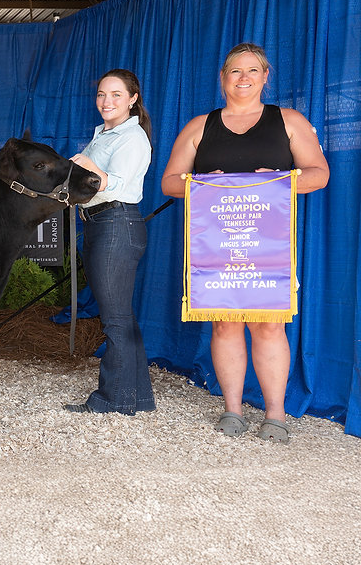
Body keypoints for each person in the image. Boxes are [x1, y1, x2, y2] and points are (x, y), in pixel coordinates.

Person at [161, 42, 329, 443]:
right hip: (216, 244)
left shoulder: (288, 120)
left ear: (265, 77)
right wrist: (200, 182)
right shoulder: (200, 125)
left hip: (267, 243)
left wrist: (280, 180)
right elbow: (170, 182)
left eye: (252, 71)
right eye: (236, 71)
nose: (244, 78)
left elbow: (318, 173)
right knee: (224, 323)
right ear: (223, 78)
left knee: (269, 324)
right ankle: (233, 411)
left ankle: (276, 414)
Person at [63, 69, 155, 415]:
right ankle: (137, 397)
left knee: (115, 319)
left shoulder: (132, 139)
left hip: (116, 222)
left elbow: (113, 184)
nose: (107, 101)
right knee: (121, 317)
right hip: (100, 224)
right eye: (102, 94)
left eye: (116, 95)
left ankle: (114, 399)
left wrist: (87, 166)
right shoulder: (103, 134)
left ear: (133, 99)